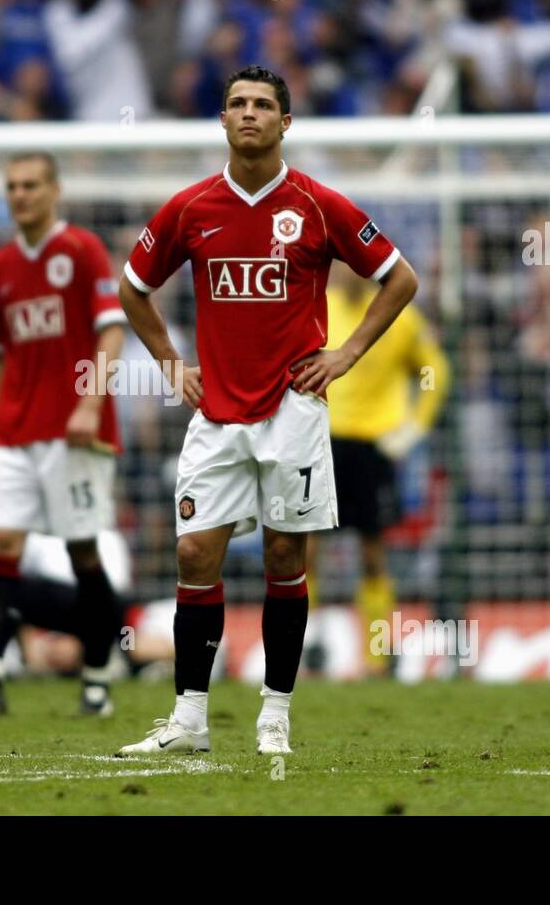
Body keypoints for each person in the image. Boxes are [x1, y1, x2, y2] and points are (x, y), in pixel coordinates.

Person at [116, 64, 418, 755]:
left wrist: (345, 353)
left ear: (286, 123)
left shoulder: (317, 204)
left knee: (286, 553)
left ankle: (274, 714)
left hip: (293, 410)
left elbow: (400, 277)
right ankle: (189, 720)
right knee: (195, 552)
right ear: (222, 121)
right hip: (217, 411)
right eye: (236, 104)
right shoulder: (190, 209)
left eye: (262, 105)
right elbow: (134, 289)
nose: (248, 113)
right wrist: (169, 361)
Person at [0, 152, 127, 716]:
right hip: (15, 431)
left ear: (55, 190)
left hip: (74, 432)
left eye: (31, 185)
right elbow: (0, 353)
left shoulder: (83, 250)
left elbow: (110, 333)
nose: (20, 195)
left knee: (83, 553)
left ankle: (96, 679)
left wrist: (91, 403)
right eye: (12, 186)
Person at [309, 263, 449, 676]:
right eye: (334, 265)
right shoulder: (319, 307)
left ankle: (375, 657)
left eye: (347, 266)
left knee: (372, 554)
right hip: (321, 442)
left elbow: (434, 370)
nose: (339, 273)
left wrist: (414, 427)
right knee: (303, 551)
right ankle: (300, 650)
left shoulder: (397, 316)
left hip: (373, 447)